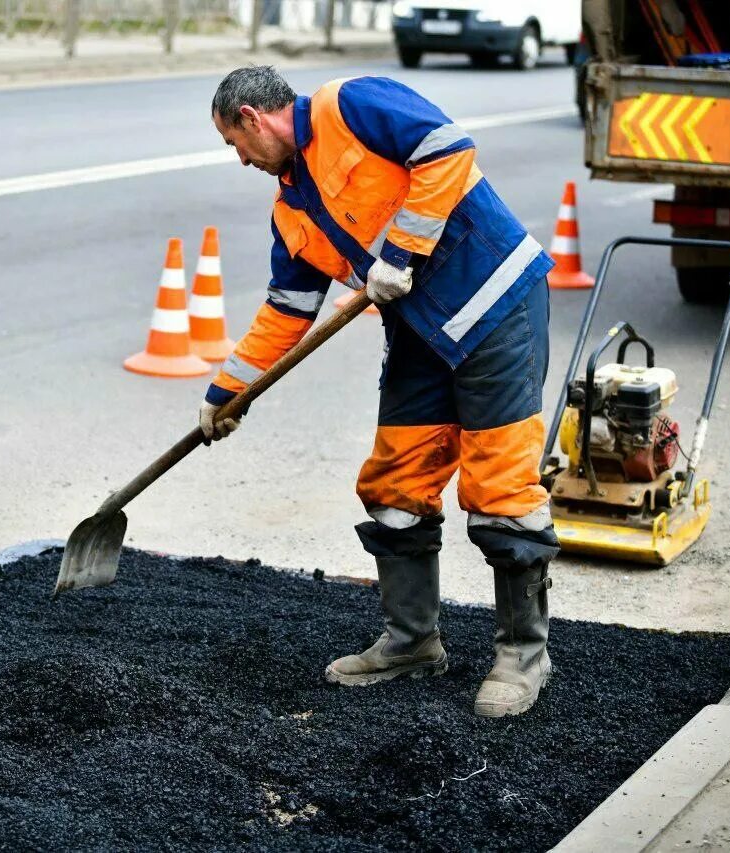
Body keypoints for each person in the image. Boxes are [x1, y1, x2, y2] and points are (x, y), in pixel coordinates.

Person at [201, 66, 559, 718]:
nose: (240, 159)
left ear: (253, 118)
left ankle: (523, 654)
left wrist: (402, 251)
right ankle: (412, 641)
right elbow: (287, 308)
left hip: (496, 309)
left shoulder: (351, 105)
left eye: (235, 144)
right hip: (421, 336)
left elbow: (448, 149)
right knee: (394, 485)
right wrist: (227, 391)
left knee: (501, 488)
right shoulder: (291, 209)